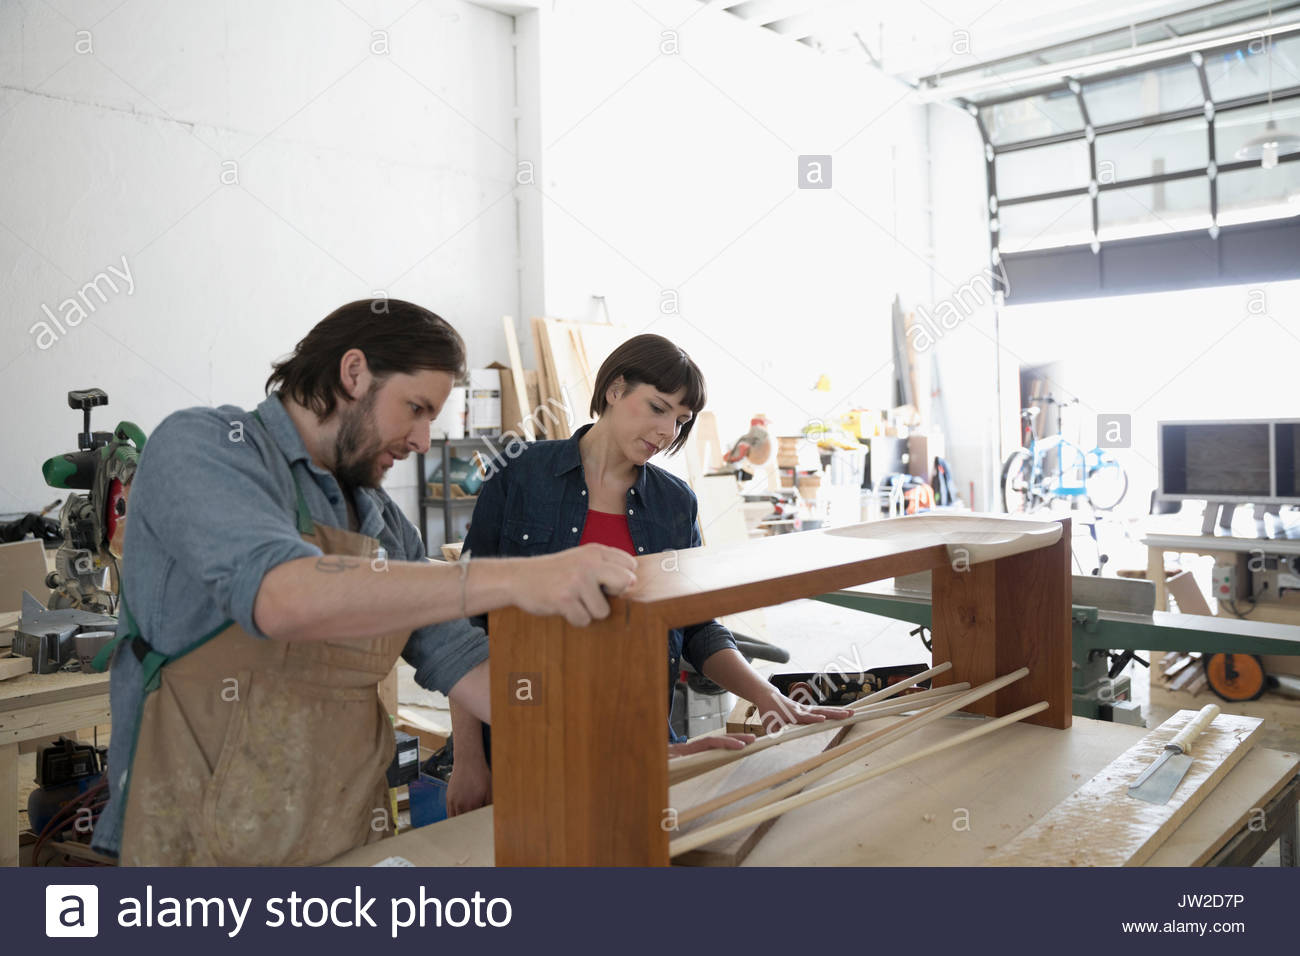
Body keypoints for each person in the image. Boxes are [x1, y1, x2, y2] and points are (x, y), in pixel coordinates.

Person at [90, 299, 637, 865]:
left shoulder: (379, 521)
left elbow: (472, 669)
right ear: (353, 373)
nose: (424, 440)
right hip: (197, 854)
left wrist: (633, 756)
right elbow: (282, 596)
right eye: (416, 408)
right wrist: (516, 579)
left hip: (343, 844)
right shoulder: (204, 447)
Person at [447, 333, 849, 815]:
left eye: (680, 420)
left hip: (636, 733)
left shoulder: (675, 503)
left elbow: (698, 625)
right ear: (615, 390)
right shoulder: (520, 476)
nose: (666, 431)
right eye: (657, 407)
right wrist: (468, 759)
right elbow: (464, 619)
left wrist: (765, 695)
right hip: (520, 728)